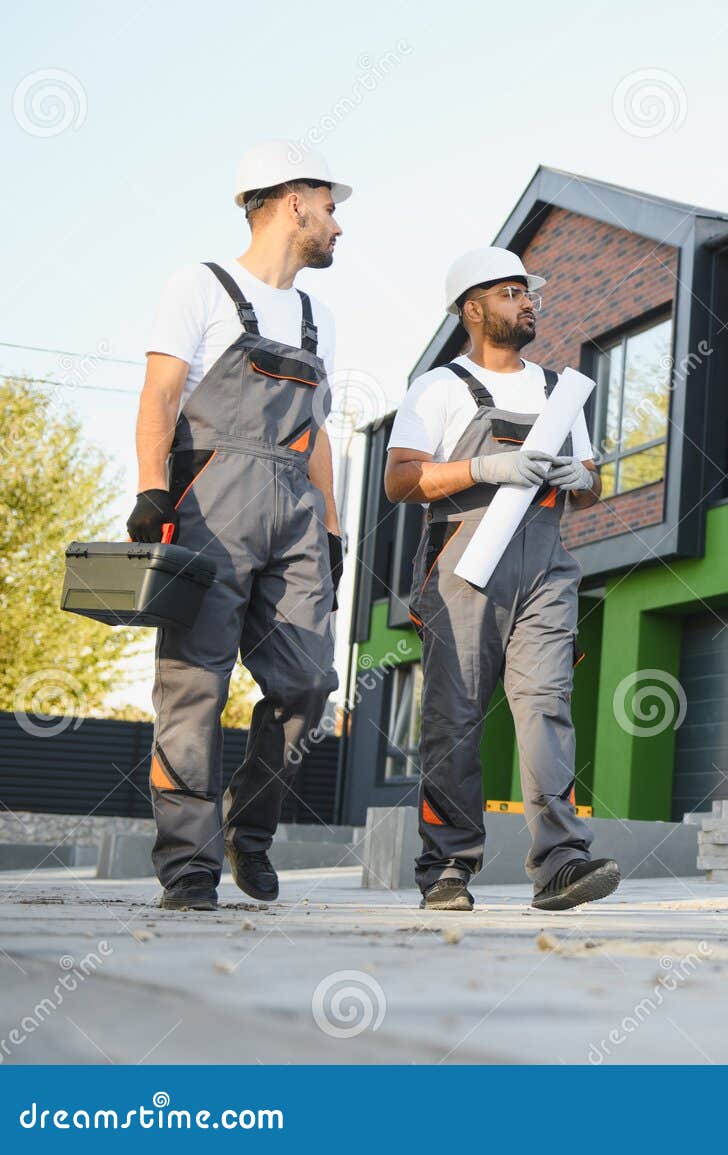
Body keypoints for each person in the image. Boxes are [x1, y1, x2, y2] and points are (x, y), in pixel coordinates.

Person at [129, 140, 349, 911]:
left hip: (293, 506)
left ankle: (245, 827)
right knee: (193, 686)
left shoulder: (316, 315)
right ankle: (188, 865)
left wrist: (331, 526)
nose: (338, 225)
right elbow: (160, 396)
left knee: (309, 683)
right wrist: (154, 490)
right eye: (331, 206)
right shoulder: (200, 285)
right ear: (293, 200)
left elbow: (316, 430)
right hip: (208, 502)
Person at [384, 246, 620, 912]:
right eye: (511, 292)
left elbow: (593, 484)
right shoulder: (438, 389)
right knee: (453, 719)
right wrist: (484, 469)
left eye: (529, 292)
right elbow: (400, 479)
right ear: (473, 308)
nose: (527, 302)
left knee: (547, 707)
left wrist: (585, 480)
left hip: (546, 569)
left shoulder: (558, 390)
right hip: (463, 568)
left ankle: (561, 862)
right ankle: (448, 866)